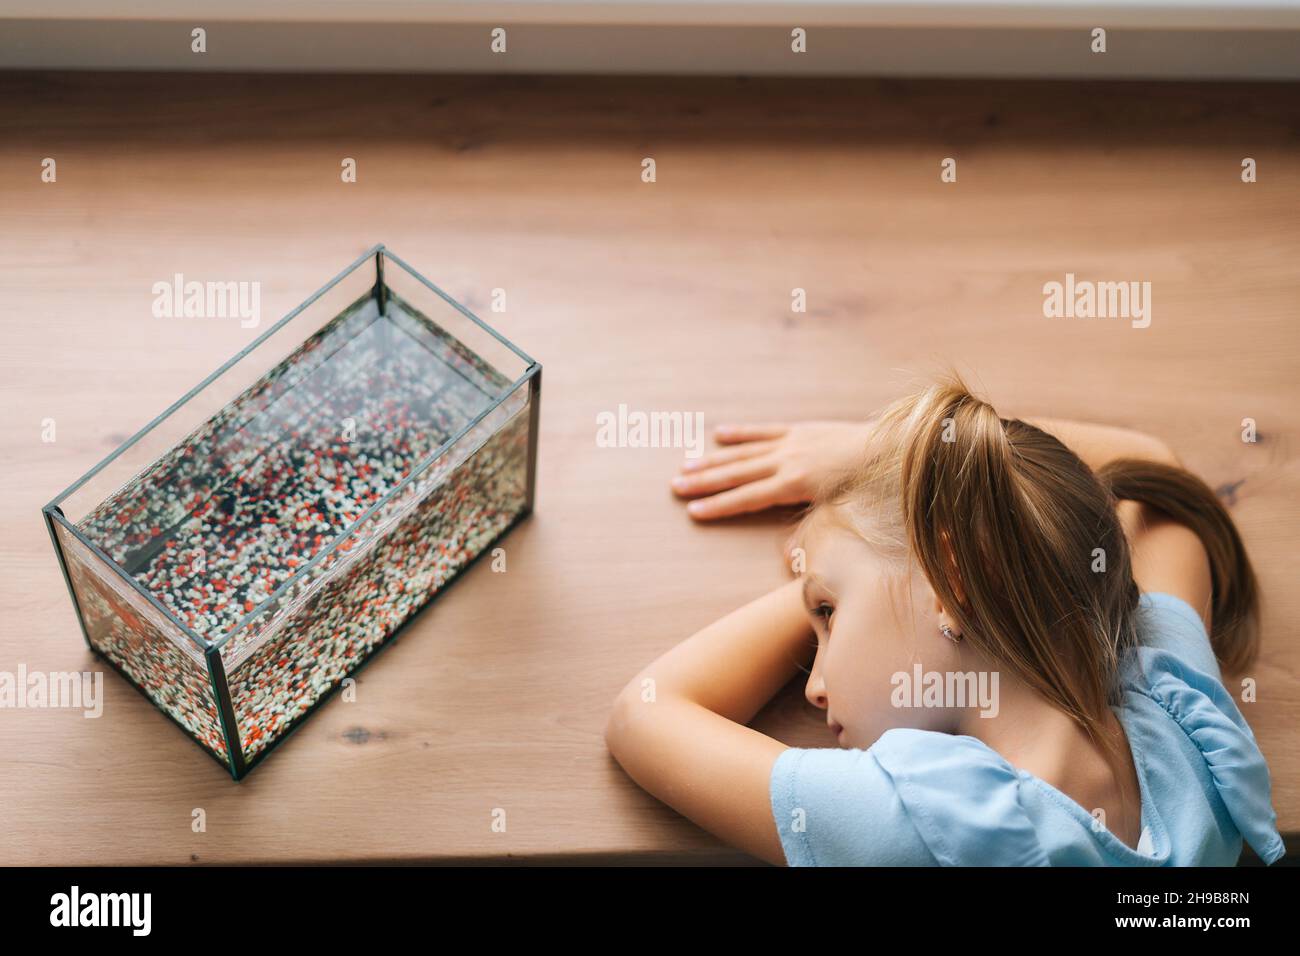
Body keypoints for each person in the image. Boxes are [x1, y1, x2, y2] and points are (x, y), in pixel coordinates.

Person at [604, 377, 1285, 865]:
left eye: (829, 615)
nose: (812, 686)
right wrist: (897, 464)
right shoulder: (1185, 729)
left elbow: (645, 713)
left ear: (953, 588)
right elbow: (1157, 477)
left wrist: (838, 551)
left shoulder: (929, 822)